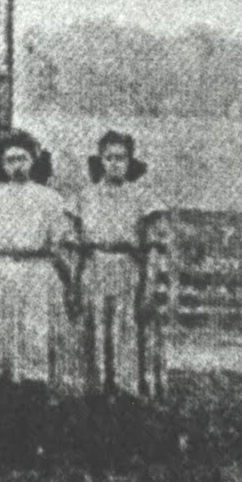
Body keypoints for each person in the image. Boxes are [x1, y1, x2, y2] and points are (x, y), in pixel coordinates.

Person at [0, 130, 79, 395]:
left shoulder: (49, 198)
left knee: (34, 332)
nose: (17, 165)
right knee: (0, 330)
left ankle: (34, 390)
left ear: (33, 160)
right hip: (1, 270)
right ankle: (4, 389)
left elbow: (59, 242)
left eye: (22, 158)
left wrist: (68, 280)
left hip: (36, 271)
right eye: (10, 160)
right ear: (2, 163)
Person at [74, 130, 160, 397]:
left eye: (121, 158)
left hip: (127, 266)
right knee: (95, 324)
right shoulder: (86, 196)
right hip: (95, 265)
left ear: (129, 161)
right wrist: (74, 282)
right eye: (109, 157)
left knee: (125, 326)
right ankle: (97, 387)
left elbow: (153, 246)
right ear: (100, 160)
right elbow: (75, 246)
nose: (115, 163)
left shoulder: (142, 198)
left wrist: (149, 285)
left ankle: (126, 389)